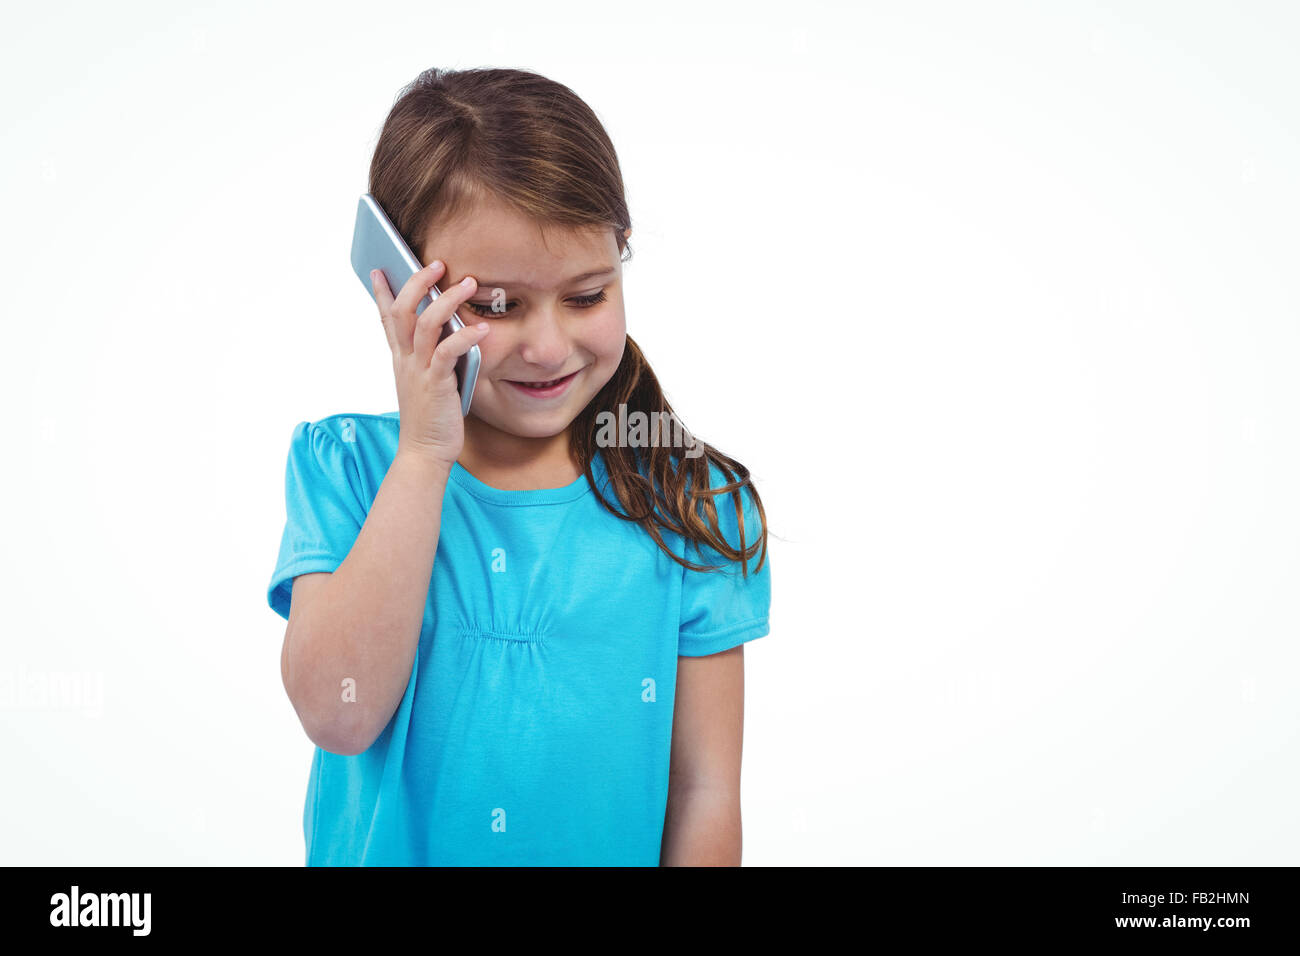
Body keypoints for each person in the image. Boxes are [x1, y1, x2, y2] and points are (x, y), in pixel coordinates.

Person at [266, 66, 771, 866]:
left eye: (586, 296)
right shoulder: (351, 470)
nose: (546, 346)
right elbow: (339, 713)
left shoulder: (692, 502)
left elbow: (703, 790)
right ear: (400, 286)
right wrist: (428, 455)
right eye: (495, 305)